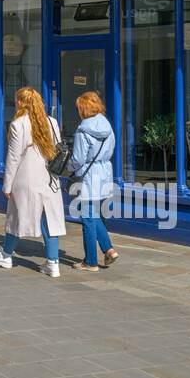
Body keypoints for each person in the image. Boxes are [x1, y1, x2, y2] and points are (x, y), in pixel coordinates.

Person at [0, 87, 66, 277]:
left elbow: (13, 157)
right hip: (50, 178)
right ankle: (53, 263)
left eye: (17, 101)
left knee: (16, 216)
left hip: (26, 178)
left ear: (21, 102)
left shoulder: (18, 124)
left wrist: (7, 184)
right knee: (50, 220)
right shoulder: (52, 122)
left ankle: (5, 255)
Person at [69, 90, 119, 272]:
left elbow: (78, 158)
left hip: (89, 175)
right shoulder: (107, 125)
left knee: (88, 217)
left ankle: (91, 261)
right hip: (104, 172)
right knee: (96, 214)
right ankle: (107, 250)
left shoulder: (83, 130)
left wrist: (70, 168)